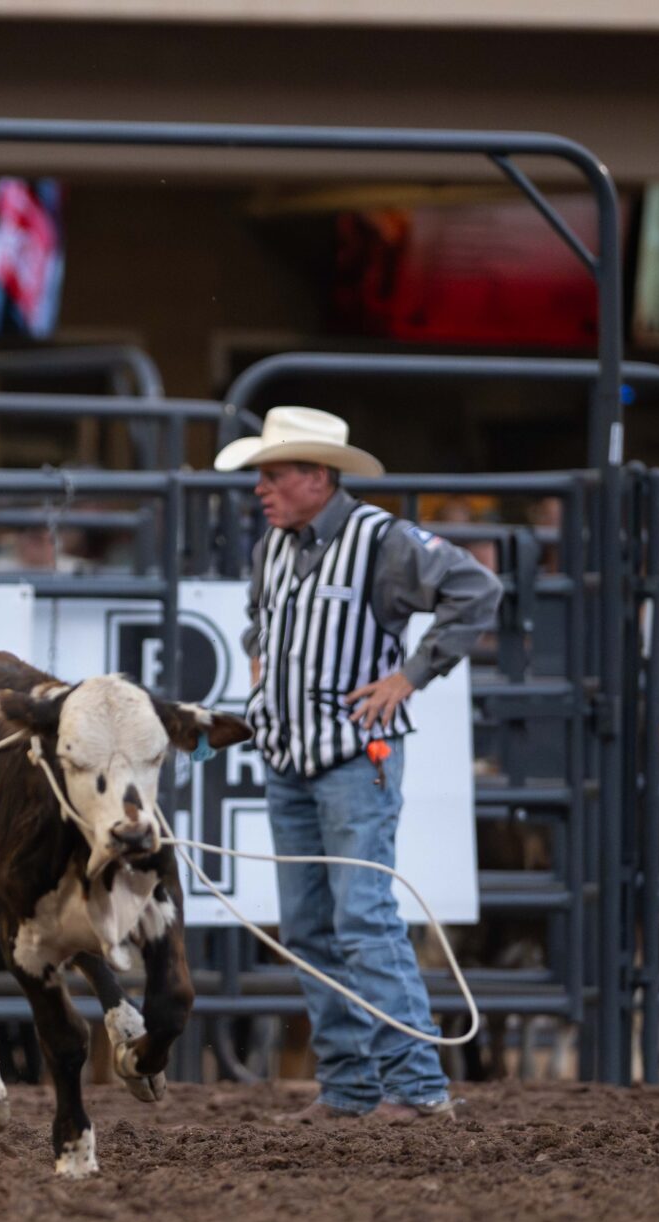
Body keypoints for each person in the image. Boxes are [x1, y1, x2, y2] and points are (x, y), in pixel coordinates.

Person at [217, 406, 501, 1124]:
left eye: (274, 474)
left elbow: (476, 591)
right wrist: (262, 654)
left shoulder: (384, 540)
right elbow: (260, 614)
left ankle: (414, 1085)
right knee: (312, 925)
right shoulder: (274, 547)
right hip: (291, 755)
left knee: (362, 917)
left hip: (351, 756)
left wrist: (410, 675)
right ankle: (349, 1085)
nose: (262, 488)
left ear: (317, 476)